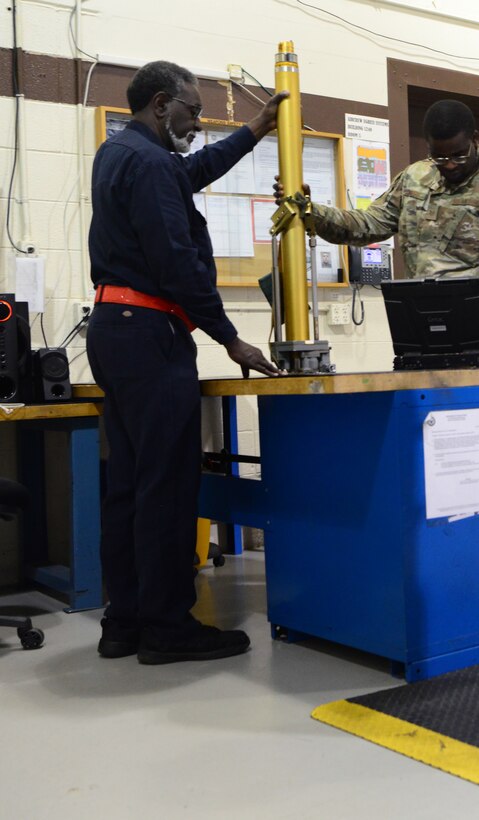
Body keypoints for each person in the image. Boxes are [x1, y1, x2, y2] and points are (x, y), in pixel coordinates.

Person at [87, 60, 284, 664]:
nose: (198, 123)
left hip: (115, 331)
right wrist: (230, 338)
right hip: (150, 335)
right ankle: (168, 629)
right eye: (193, 111)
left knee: (130, 485)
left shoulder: (121, 153)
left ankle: (124, 624)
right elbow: (176, 261)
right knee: (168, 487)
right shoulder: (149, 164)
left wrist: (254, 130)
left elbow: (192, 172)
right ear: (159, 103)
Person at [276, 99, 479, 363]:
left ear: (475, 139)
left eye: (459, 155)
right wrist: (312, 211)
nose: (450, 164)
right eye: (440, 157)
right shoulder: (415, 178)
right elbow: (368, 224)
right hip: (423, 337)